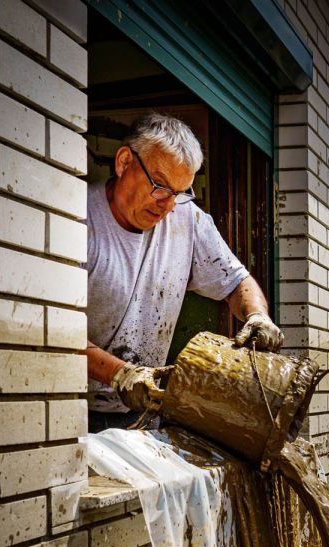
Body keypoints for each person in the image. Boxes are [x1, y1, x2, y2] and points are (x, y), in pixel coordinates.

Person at [85, 113, 283, 432]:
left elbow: (237, 281)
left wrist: (257, 316)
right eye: (160, 186)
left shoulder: (186, 218)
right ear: (123, 162)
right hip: (72, 411)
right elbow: (53, 329)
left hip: (145, 412)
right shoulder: (78, 221)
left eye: (180, 192)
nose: (167, 205)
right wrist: (120, 374)